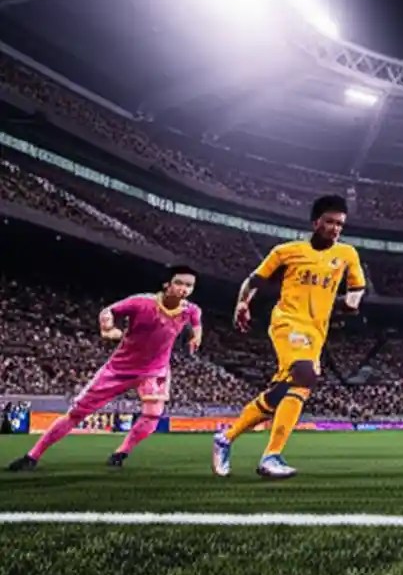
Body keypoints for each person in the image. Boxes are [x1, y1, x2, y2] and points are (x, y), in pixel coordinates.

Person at [212, 195, 366, 479]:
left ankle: (226, 437)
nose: (335, 228)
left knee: (284, 391)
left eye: (340, 224)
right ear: (315, 222)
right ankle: (271, 457)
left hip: (316, 332)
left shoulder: (347, 254)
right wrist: (242, 304)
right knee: (306, 375)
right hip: (287, 322)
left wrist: (350, 303)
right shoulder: (287, 251)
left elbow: (357, 288)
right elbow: (254, 280)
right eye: (330, 222)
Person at [9, 266, 202, 471]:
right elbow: (109, 311)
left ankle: (121, 453)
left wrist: (197, 336)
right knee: (76, 413)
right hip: (119, 369)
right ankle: (32, 456)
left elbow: (196, 323)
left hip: (155, 371)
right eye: (179, 283)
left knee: (153, 414)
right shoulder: (141, 302)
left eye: (189, 285)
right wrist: (107, 326)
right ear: (167, 284)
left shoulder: (191, 310)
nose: (184, 289)